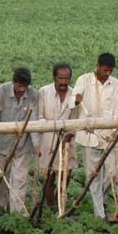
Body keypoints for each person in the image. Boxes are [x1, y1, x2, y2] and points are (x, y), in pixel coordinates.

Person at [71, 52, 118, 220]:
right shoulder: (84, 80)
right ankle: (99, 214)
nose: (107, 73)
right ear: (98, 66)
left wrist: (116, 131)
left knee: (112, 174)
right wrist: (77, 99)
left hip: (109, 136)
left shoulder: (115, 84)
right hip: (89, 136)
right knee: (93, 174)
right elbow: (73, 99)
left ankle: (99, 197)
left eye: (110, 71)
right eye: (105, 70)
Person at [0, 67, 40, 218]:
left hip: (22, 145)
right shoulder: (2, 91)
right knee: (1, 177)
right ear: (13, 82)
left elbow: (34, 120)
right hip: (2, 144)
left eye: (24, 88)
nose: (21, 90)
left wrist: (36, 144)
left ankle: (17, 212)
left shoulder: (33, 95)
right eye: (18, 87)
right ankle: (1, 207)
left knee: (20, 179)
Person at [36, 63, 77, 208]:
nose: (63, 82)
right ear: (54, 77)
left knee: (66, 175)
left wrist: (69, 134)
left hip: (67, 142)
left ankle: (60, 201)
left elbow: (76, 120)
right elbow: (39, 117)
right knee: (48, 177)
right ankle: (51, 205)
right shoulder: (43, 92)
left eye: (66, 79)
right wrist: (52, 126)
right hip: (47, 141)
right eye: (60, 78)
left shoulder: (74, 95)